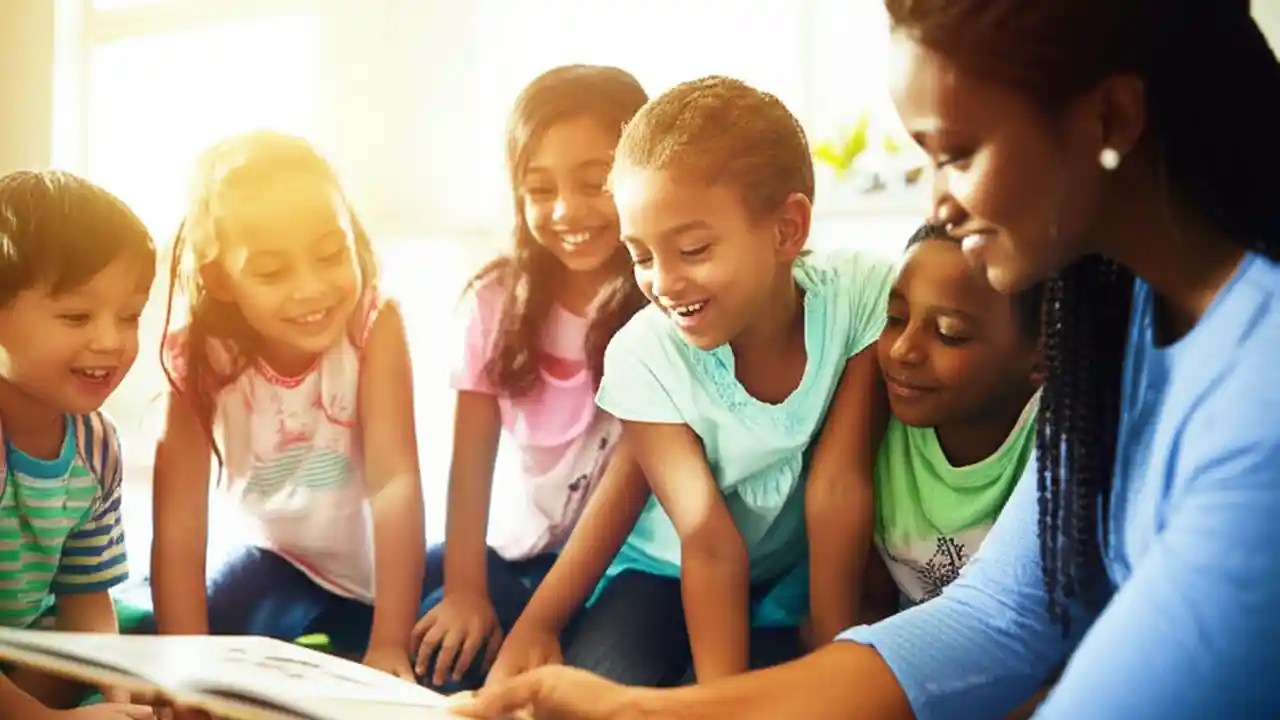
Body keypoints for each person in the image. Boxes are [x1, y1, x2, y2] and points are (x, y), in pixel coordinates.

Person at [459, 1, 1280, 717]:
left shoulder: (1262, 405)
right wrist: (638, 712)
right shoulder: (1117, 319)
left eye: (956, 154)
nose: (938, 205)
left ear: (1110, 120)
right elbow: (998, 617)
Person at [492, 75, 894, 689]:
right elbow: (707, 537)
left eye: (694, 248)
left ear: (788, 229)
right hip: (662, 568)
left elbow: (839, 487)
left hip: (791, 575)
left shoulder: (861, 298)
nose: (665, 283)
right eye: (643, 255)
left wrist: (830, 661)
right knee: (610, 691)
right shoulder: (645, 355)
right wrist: (716, 701)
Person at [407, 65, 650, 691]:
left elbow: (637, 479)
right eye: (539, 188)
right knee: (430, 656)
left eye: (595, 181)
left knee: (592, 691)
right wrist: (464, 591)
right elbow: (469, 468)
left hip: (634, 569)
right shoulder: (496, 298)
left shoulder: (664, 302)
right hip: (516, 556)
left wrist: (536, 625)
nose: (567, 210)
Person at [150, 131, 425, 680]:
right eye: (273, 272)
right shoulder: (199, 354)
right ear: (220, 279)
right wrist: (185, 668)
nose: (312, 289)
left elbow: (395, 481)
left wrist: (390, 643)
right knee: (202, 635)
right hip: (274, 561)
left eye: (330, 255)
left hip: (372, 576)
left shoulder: (374, 325)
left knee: (436, 655)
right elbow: (179, 524)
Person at [0, 170, 157, 719]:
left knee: (150, 642)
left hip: (22, 640)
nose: (110, 341)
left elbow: (85, 591)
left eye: (130, 316)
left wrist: (117, 695)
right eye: (75, 316)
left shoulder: (95, 444)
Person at [870, 222, 1042, 612]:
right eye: (895, 317)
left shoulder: (1053, 444)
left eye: (949, 333)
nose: (902, 350)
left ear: (1041, 352)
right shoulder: (874, 409)